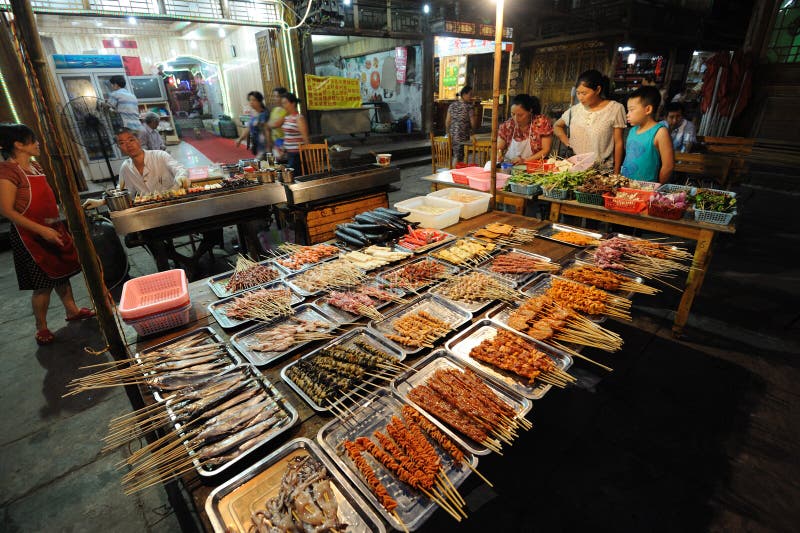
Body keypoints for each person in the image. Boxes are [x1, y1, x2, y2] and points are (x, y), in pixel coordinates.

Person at [0, 123, 95, 345]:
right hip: (29, 236)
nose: (38, 143)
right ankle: (41, 327)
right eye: (33, 140)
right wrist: (41, 230)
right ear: (18, 144)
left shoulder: (35, 167)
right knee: (43, 284)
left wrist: (55, 223)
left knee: (61, 273)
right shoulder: (8, 172)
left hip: (51, 228)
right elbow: (6, 210)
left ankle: (71, 310)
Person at [553, 70, 627, 173]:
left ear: (597, 90)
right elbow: (557, 126)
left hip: (601, 171)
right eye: (578, 93)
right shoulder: (575, 110)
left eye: (584, 93)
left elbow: (618, 143)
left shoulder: (615, 109)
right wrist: (568, 143)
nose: (580, 97)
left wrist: (617, 171)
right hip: (575, 169)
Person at [621, 86, 674, 183]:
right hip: (626, 184)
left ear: (648, 109)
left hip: (647, 188)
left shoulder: (660, 132)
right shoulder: (632, 131)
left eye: (631, 110)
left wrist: (657, 189)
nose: (627, 114)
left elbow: (668, 166)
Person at [497, 94, 553, 165]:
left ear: (530, 111)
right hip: (510, 167)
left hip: (534, 167)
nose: (516, 119)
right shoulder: (508, 125)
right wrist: (498, 153)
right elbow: (499, 147)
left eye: (520, 115)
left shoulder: (541, 123)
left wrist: (525, 161)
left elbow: (546, 150)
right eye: (513, 114)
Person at [445, 85, 480, 165]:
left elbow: (447, 121)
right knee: (459, 156)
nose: (471, 97)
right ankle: (454, 172)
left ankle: (455, 171)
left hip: (453, 133)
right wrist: (473, 131)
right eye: (470, 94)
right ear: (464, 94)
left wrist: (448, 133)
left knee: (457, 155)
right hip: (463, 134)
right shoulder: (469, 107)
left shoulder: (452, 105)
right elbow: (473, 122)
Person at [281, 93, 310, 173]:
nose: (283, 105)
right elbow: (287, 135)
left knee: (297, 176)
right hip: (289, 153)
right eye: (282, 103)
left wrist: (308, 156)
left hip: (298, 154)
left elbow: (305, 137)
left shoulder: (299, 118)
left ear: (293, 103)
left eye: (285, 103)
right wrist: (284, 148)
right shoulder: (287, 118)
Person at [235, 91, 269, 156]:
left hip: (264, 146)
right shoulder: (253, 113)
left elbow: (267, 132)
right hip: (256, 144)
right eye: (250, 100)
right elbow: (249, 128)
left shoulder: (264, 115)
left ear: (259, 101)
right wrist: (240, 139)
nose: (251, 102)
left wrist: (268, 148)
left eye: (254, 100)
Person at [266, 87, 288, 160]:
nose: (275, 98)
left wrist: (268, 125)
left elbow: (276, 124)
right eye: (274, 96)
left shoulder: (286, 110)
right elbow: (270, 123)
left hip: (284, 142)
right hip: (275, 141)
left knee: (284, 163)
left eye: (277, 96)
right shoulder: (274, 109)